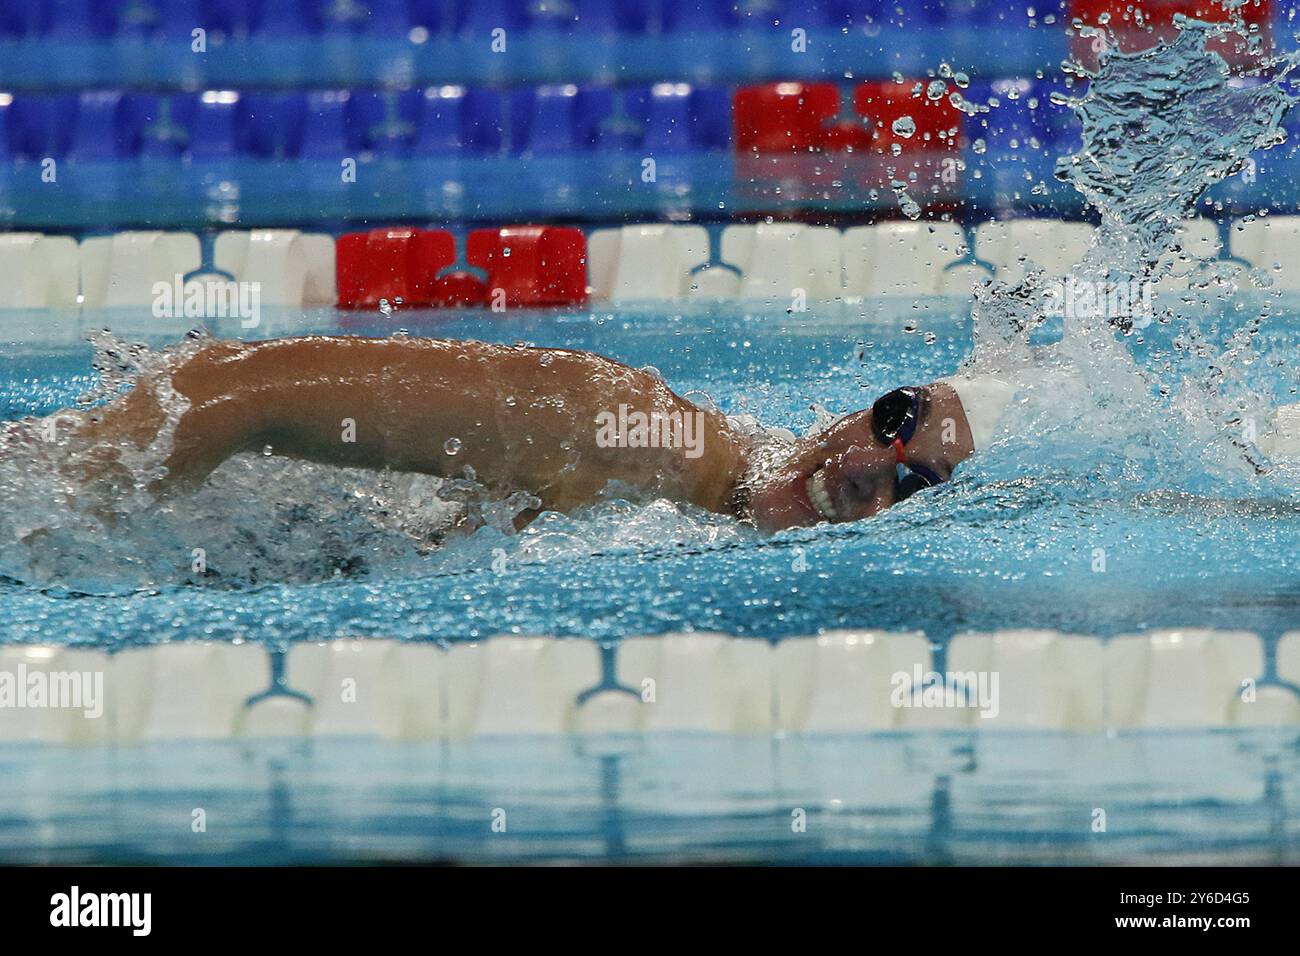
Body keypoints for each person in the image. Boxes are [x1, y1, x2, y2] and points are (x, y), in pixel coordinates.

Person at [67, 335, 1014, 532]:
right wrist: (77, 498)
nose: (859, 467)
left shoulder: (708, 496)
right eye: (891, 420)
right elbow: (225, 390)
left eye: (914, 484)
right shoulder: (639, 433)